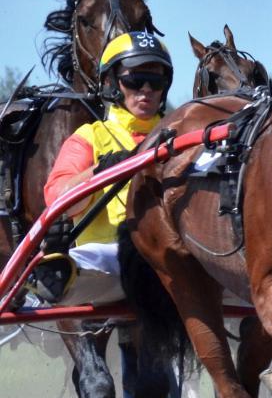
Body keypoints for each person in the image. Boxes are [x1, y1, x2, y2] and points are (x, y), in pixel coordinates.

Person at [32, 30, 169, 305]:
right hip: (111, 256)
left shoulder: (181, 131)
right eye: (135, 79)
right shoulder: (89, 137)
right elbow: (59, 201)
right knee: (88, 261)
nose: (146, 89)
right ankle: (54, 276)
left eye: (155, 81)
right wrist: (100, 169)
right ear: (111, 83)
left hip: (174, 252)